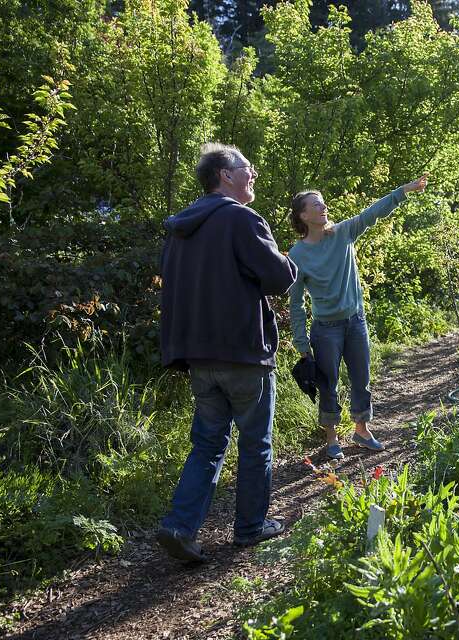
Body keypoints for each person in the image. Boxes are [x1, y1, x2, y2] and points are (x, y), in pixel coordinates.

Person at [157, 142, 297, 563]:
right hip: (243, 353)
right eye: (246, 167)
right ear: (225, 174)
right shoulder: (241, 219)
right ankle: (251, 528)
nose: (252, 173)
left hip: (198, 356)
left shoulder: (181, 228)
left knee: (207, 444)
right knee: (255, 444)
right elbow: (278, 279)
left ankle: (179, 527)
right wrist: (289, 263)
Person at [288, 174, 428, 460]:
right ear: (303, 215)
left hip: (355, 322)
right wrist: (301, 341)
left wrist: (403, 190)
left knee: (361, 379)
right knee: (328, 384)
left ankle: (361, 430)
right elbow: (296, 303)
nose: (323, 207)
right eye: (316, 205)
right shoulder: (297, 255)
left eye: (323, 203)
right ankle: (331, 438)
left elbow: (372, 213)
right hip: (325, 329)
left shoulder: (343, 233)